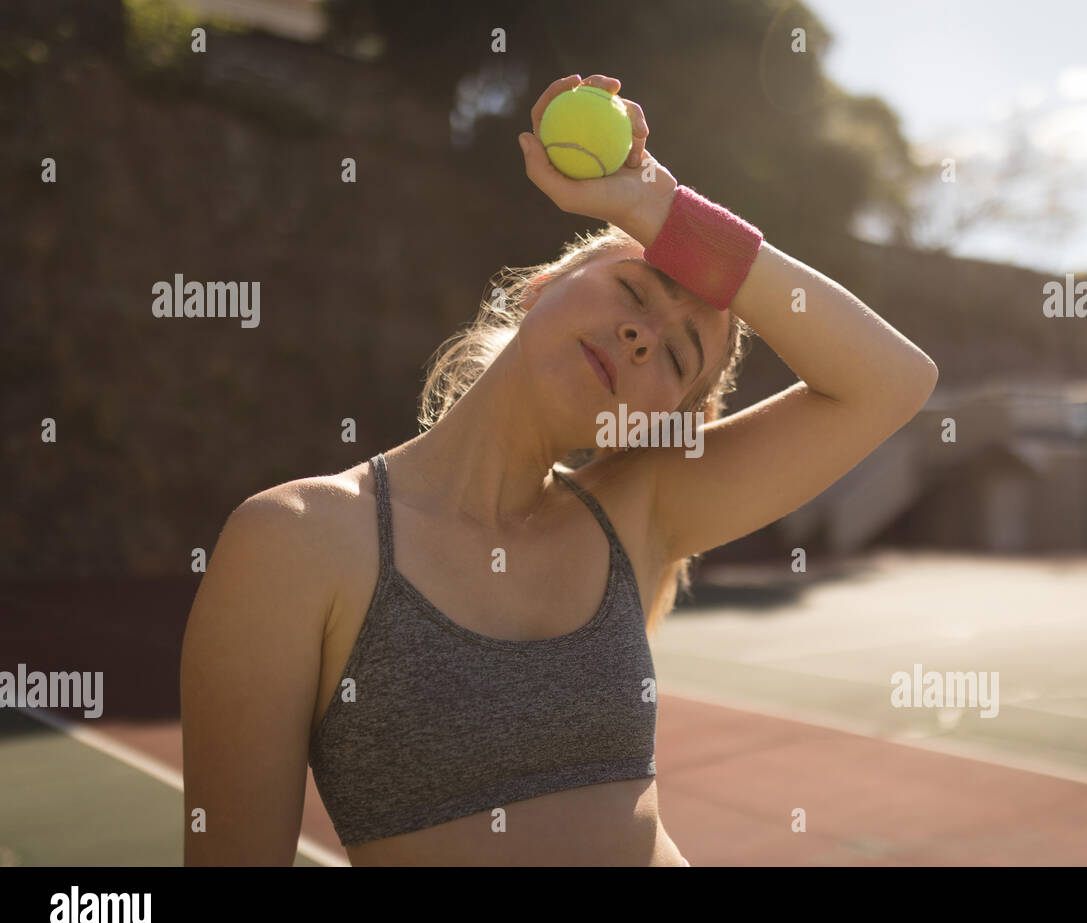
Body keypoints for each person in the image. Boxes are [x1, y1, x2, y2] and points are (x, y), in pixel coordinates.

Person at [180, 74, 938, 866]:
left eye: (678, 354)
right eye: (635, 288)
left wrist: (659, 209)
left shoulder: (639, 516)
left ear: (662, 422)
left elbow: (893, 381)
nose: (645, 335)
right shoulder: (296, 540)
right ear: (543, 288)